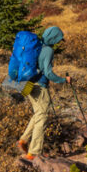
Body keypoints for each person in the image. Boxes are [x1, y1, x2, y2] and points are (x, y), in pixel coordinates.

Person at [18, 26, 70, 161]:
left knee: (38, 114)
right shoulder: (48, 50)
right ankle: (34, 153)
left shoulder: (36, 46)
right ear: (53, 38)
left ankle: (23, 140)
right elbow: (48, 72)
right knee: (42, 117)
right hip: (40, 86)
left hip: (28, 84)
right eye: (58, 40)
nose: (58, 42)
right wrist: (63, 80)